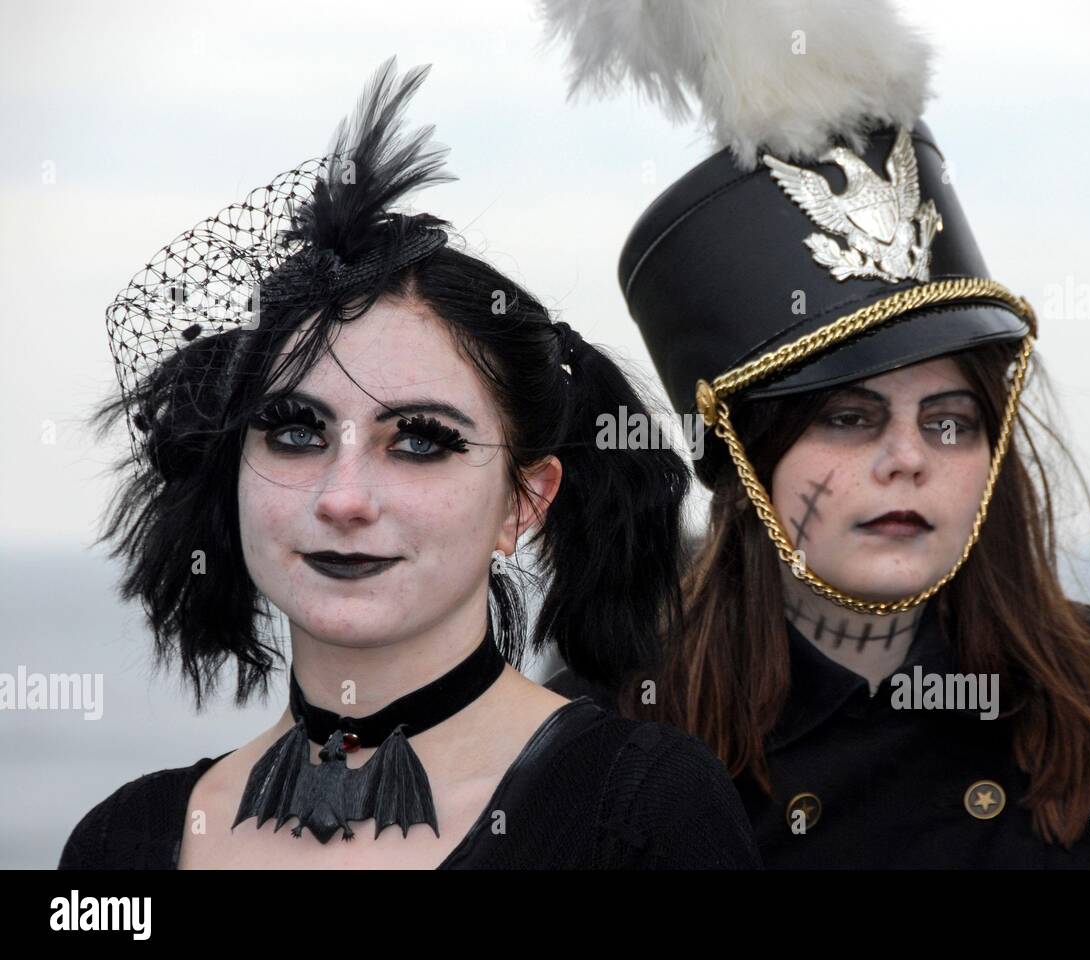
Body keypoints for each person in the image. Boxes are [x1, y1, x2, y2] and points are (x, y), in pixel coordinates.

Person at [539, 0, 1090, 868]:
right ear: (745, 457)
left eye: (950, 422)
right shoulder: (605, 740)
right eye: (848, 418)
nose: (908, 460)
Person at [57, 56, 760, 870]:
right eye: (294, 432)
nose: (344, 497)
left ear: (524, 502)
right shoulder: (122, 845)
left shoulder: (641, 813)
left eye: (421, 440)